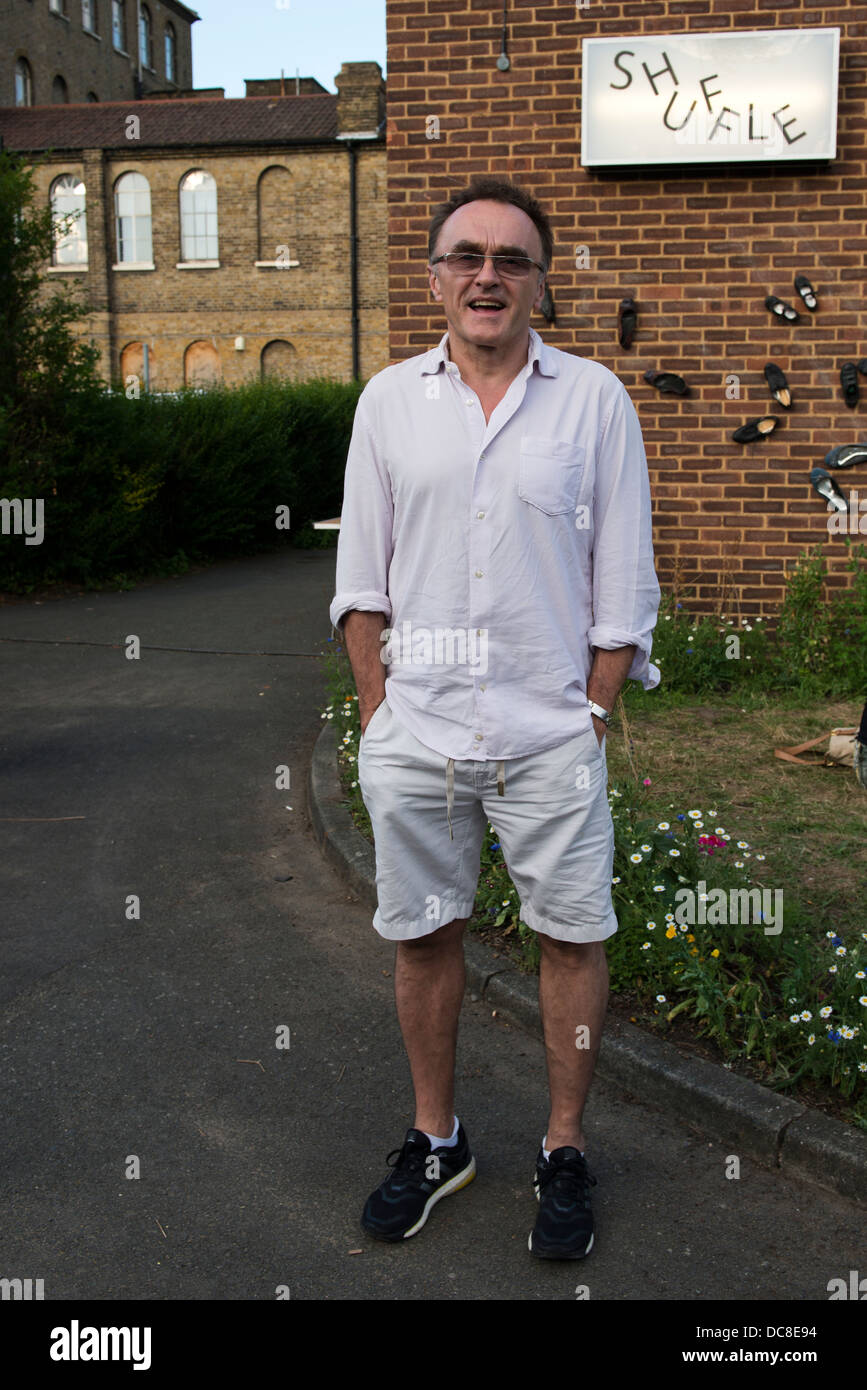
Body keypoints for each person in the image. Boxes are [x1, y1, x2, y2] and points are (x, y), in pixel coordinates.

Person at [329, 175, 660, 1260]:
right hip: (418, 737)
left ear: (540, 283)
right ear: (434, 277)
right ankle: (439, 1140)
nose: (487, 275)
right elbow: (360, 582)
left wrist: (594, 713)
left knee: (573, 940)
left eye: (511, 260)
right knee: (425, 939)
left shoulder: (595, 401)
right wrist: (379, 714)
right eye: (467, 256)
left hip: (549, 739)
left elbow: (624, 582)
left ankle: (563, 1148)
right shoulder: (388, 403)